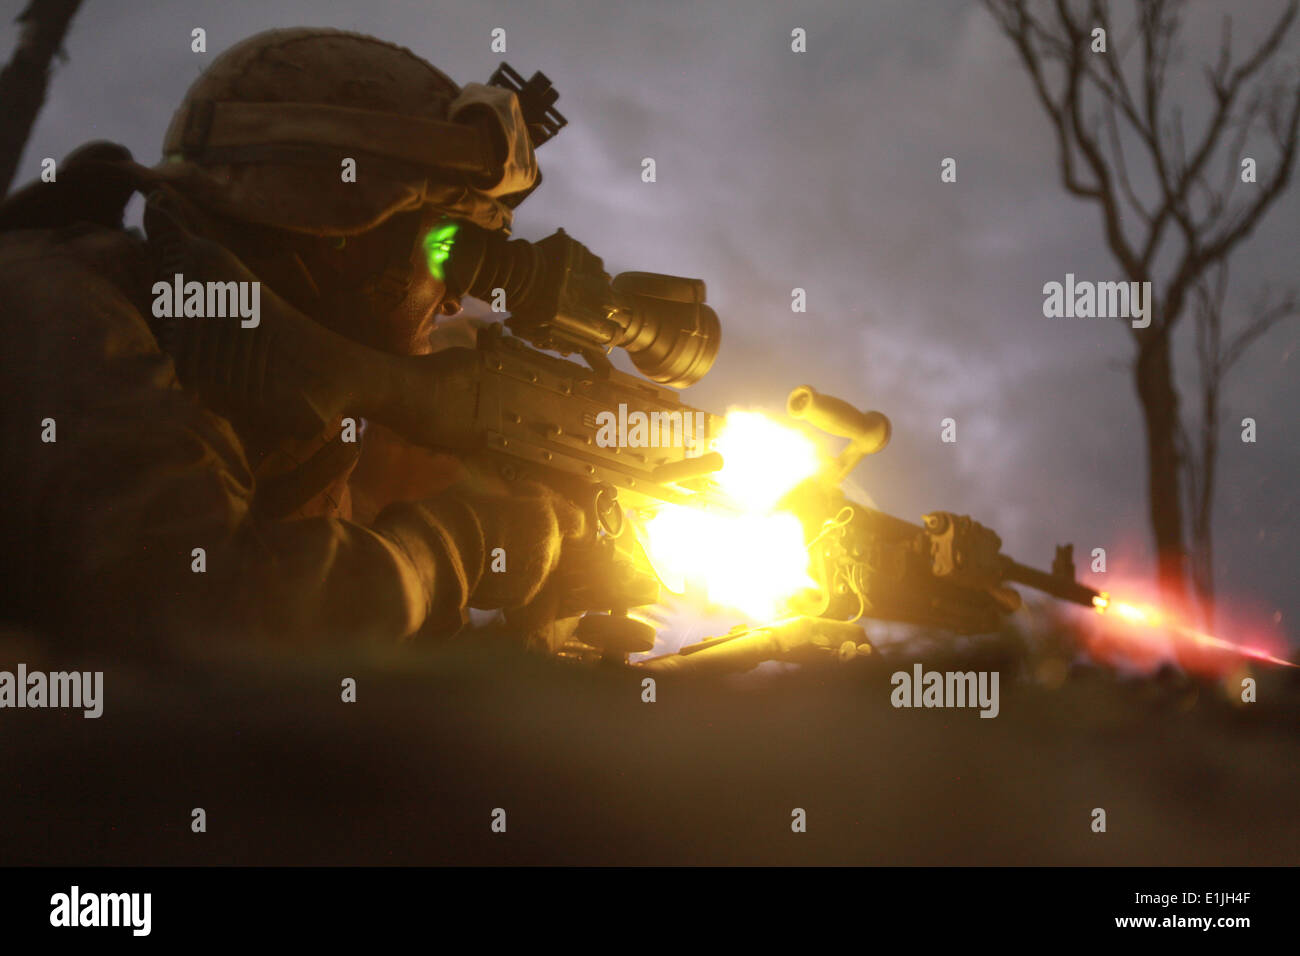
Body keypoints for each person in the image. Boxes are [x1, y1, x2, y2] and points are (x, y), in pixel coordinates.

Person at [0, 28, 587, 653]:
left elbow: (291, 695)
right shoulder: (57, 307)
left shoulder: (267, 407)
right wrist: (457, 547)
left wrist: (530, 630)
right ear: (341, 237)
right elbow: (203, 620)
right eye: (445, 250)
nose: (452, 298)